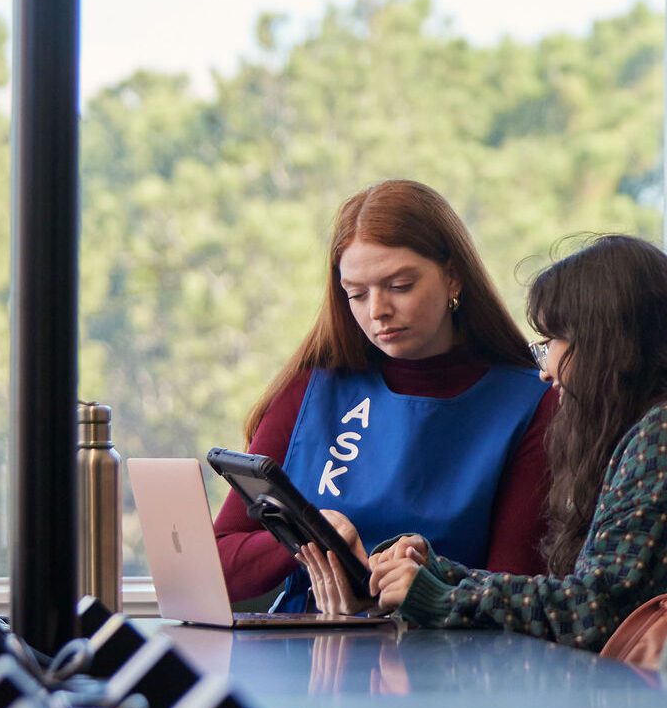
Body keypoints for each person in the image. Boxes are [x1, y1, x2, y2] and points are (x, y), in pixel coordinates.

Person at [299, 234, 667, 651]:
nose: (544, 366)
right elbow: (595, 597)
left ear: (604, 342)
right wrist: (438, 572)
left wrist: (438, 596)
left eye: (553, 341)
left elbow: (599, 612)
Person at [213, 179, 556, 610]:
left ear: (453, 277)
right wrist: (309, 535)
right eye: (356, 293)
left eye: (399, 286)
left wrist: (419, 588)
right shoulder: (309, 389)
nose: (377, 311)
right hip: (301, 656)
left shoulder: (531, 403)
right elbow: (217, 564)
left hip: (446, 664)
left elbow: (517, 589)